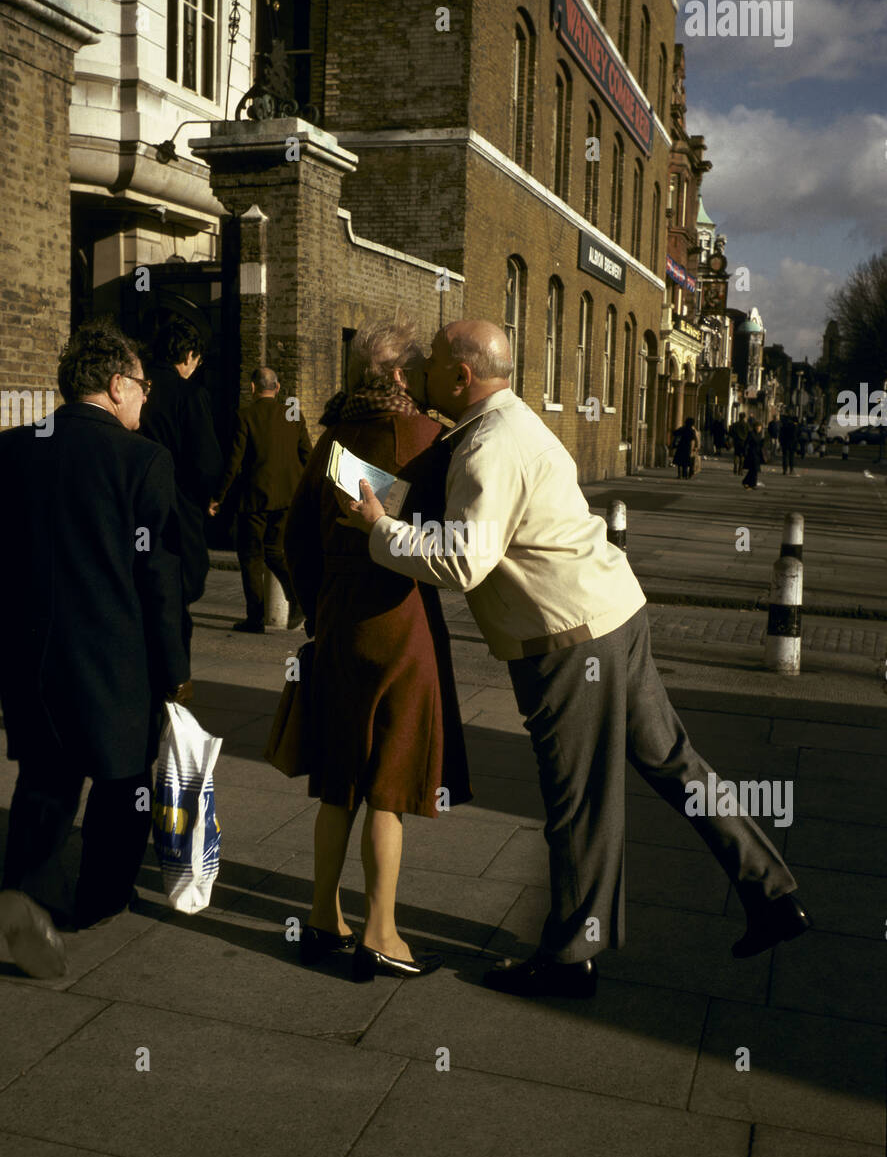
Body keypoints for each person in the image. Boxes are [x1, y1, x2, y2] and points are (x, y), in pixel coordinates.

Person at [335, 319, 811, 999]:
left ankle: (569, 958)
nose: (422, 374)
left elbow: (465, 561)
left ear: (462, 376)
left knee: (578, 799)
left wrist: (381, 532)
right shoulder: (507, 424)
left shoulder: (488, 447)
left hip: (569, 641)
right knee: (672, 760)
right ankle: (771, 894)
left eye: (433, 364)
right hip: (614, 611)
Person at [282, 317, 471, 980]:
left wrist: (318, 607)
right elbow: (454, 537)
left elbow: (295, 536)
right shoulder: (426, 438)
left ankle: (320, 918)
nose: (424, 378)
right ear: (397, 375)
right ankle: (381, 933)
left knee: (337, 783)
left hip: (337, 624)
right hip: (400, 621)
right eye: (417, 368)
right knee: (389, 784)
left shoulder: (332, 438)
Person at [0, 318, 190, 977]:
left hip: (29, 654)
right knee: (122, 784)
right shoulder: (141, 461)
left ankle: (22, 890)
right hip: (115, 657)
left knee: (45, 779)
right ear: (115, 384)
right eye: (141, 386)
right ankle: (97, 900)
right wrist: (175, 670)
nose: (147, 399)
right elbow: (158, 576)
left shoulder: (15, 449)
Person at [140, 316, 222, 667]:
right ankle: (174, 683)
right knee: (174, 604)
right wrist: (212, 495)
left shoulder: (136, 388)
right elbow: (205, 460)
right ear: (189, 355)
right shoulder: (189, 394)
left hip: (133, 502)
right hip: (176, 506)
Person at [209, 367, 313, 633]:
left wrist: (218, 496)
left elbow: (234, 461)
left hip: (255, 498)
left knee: (251, 557)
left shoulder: (245, 416)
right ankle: (299, 599)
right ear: (277, 388)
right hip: (288, 497)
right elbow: (307, 457)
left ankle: (255, 617)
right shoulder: (293, 415)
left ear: (253, 388)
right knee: (275, 551)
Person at [671, 415, 698, 480]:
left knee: (680, 461)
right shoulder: (692, 430)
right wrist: (695, 447)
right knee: (686, 462)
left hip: (681, 446)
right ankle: (685, 475)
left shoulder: (683, 429)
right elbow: (695, 439)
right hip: (688, 447)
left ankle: (680, 474)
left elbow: (675, 433)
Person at [742, 419, 765, 489]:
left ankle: (746, 482)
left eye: (760, 427)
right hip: (751, 453)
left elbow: (761, 445)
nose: (758, 428)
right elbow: (746, 443)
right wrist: (744, 452)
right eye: (757, 427)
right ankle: (752, 484)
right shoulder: (751, 434)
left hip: (758, 454)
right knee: (754, 470)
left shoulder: (760, 435)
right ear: (754, 427)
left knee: (753, 470)